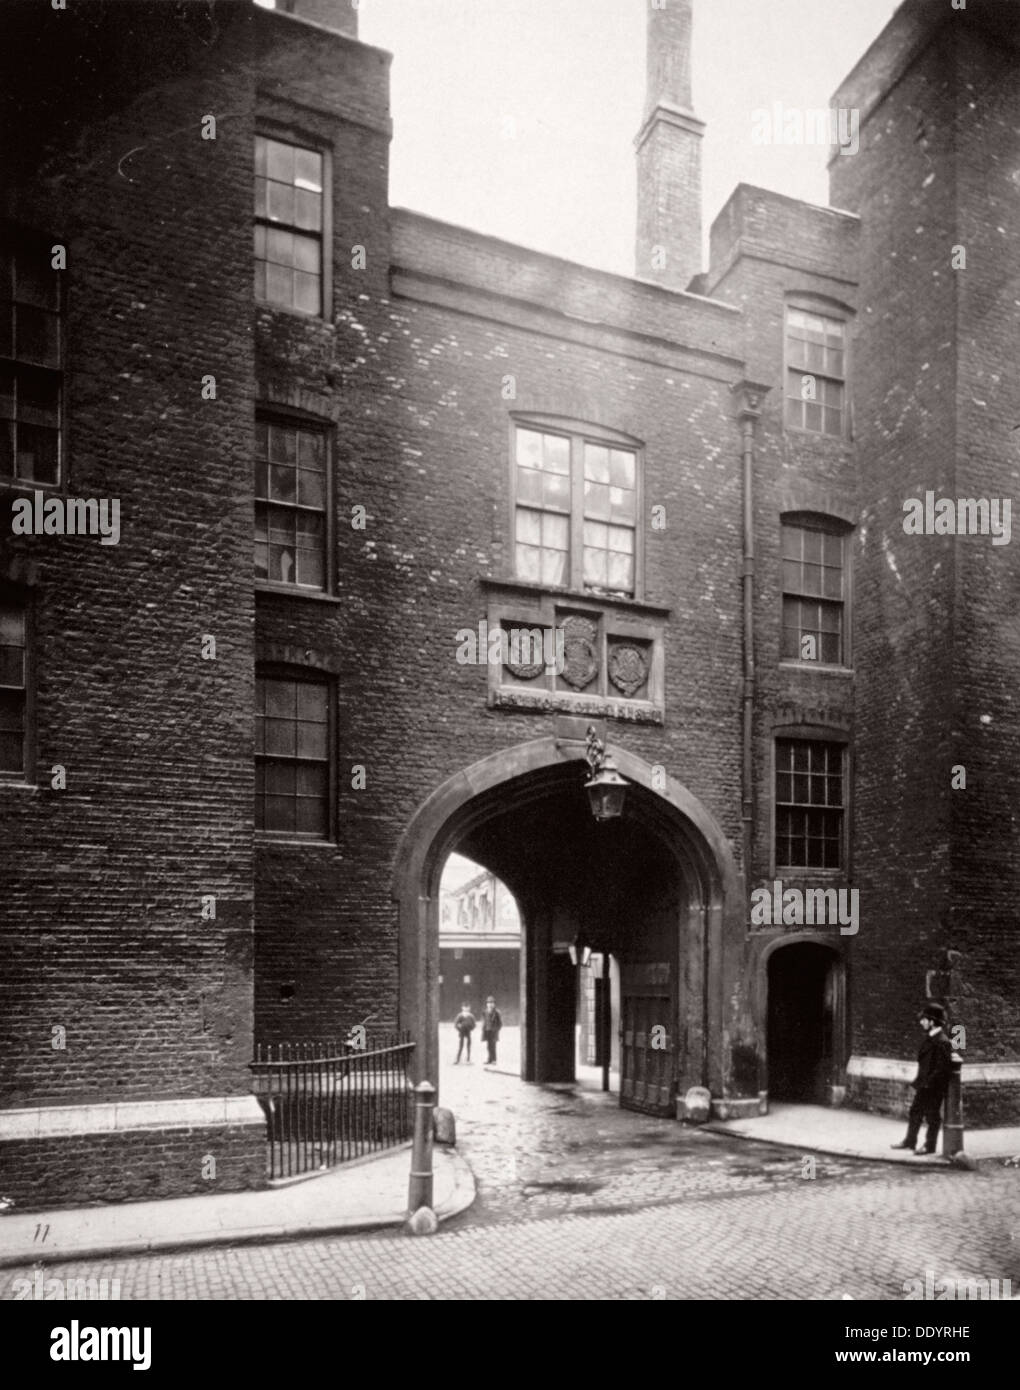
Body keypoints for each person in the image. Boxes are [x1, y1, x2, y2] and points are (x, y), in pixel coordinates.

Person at [891, 1004, 954, 1155]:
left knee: (932, 1116)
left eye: (924, 1020)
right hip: (924, 1084)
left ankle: (929, 1146)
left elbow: (941, 1069)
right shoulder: (931, 1038)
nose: (921, 1022)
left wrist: (928, 1083)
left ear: (932, 1022)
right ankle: (910, 1141)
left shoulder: (942, 1041)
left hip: (933, 1087)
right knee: (915, 1112)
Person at [481, 995, 503, 1066]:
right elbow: (484, 1022)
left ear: (494, 1004)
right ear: (486, 1004)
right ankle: (489, 1059)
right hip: (487, 1031)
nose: (490, 1004)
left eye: (492, 1003)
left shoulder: (497, 1012)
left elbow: (500, 1023)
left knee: (493, 1046)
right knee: (488, 1046)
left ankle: (494, 1060)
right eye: (488, 1003)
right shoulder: (485, 1012)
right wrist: (483, 1030)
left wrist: (496, 1030)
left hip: (494, 1031)